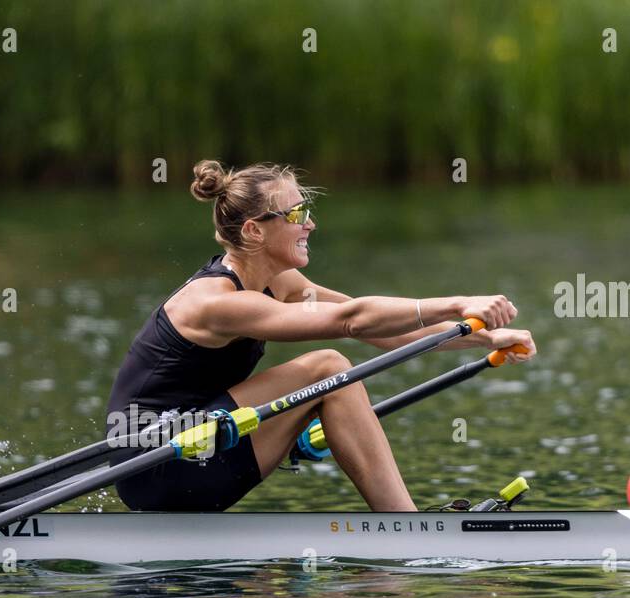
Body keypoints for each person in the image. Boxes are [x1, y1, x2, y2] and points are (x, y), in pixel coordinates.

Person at [104, 160, 536, 512]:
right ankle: (407, 526)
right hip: (156, 466)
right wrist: (458, 303)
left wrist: (487, 338)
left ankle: (404, 525)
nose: (310, 224)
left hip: (206, 444)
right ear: (254, 230)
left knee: (334, 376)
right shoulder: (213, 302)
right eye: (296, 215)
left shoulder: (282, 283)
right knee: (328, 367)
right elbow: (352, 319)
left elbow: (386, 331)